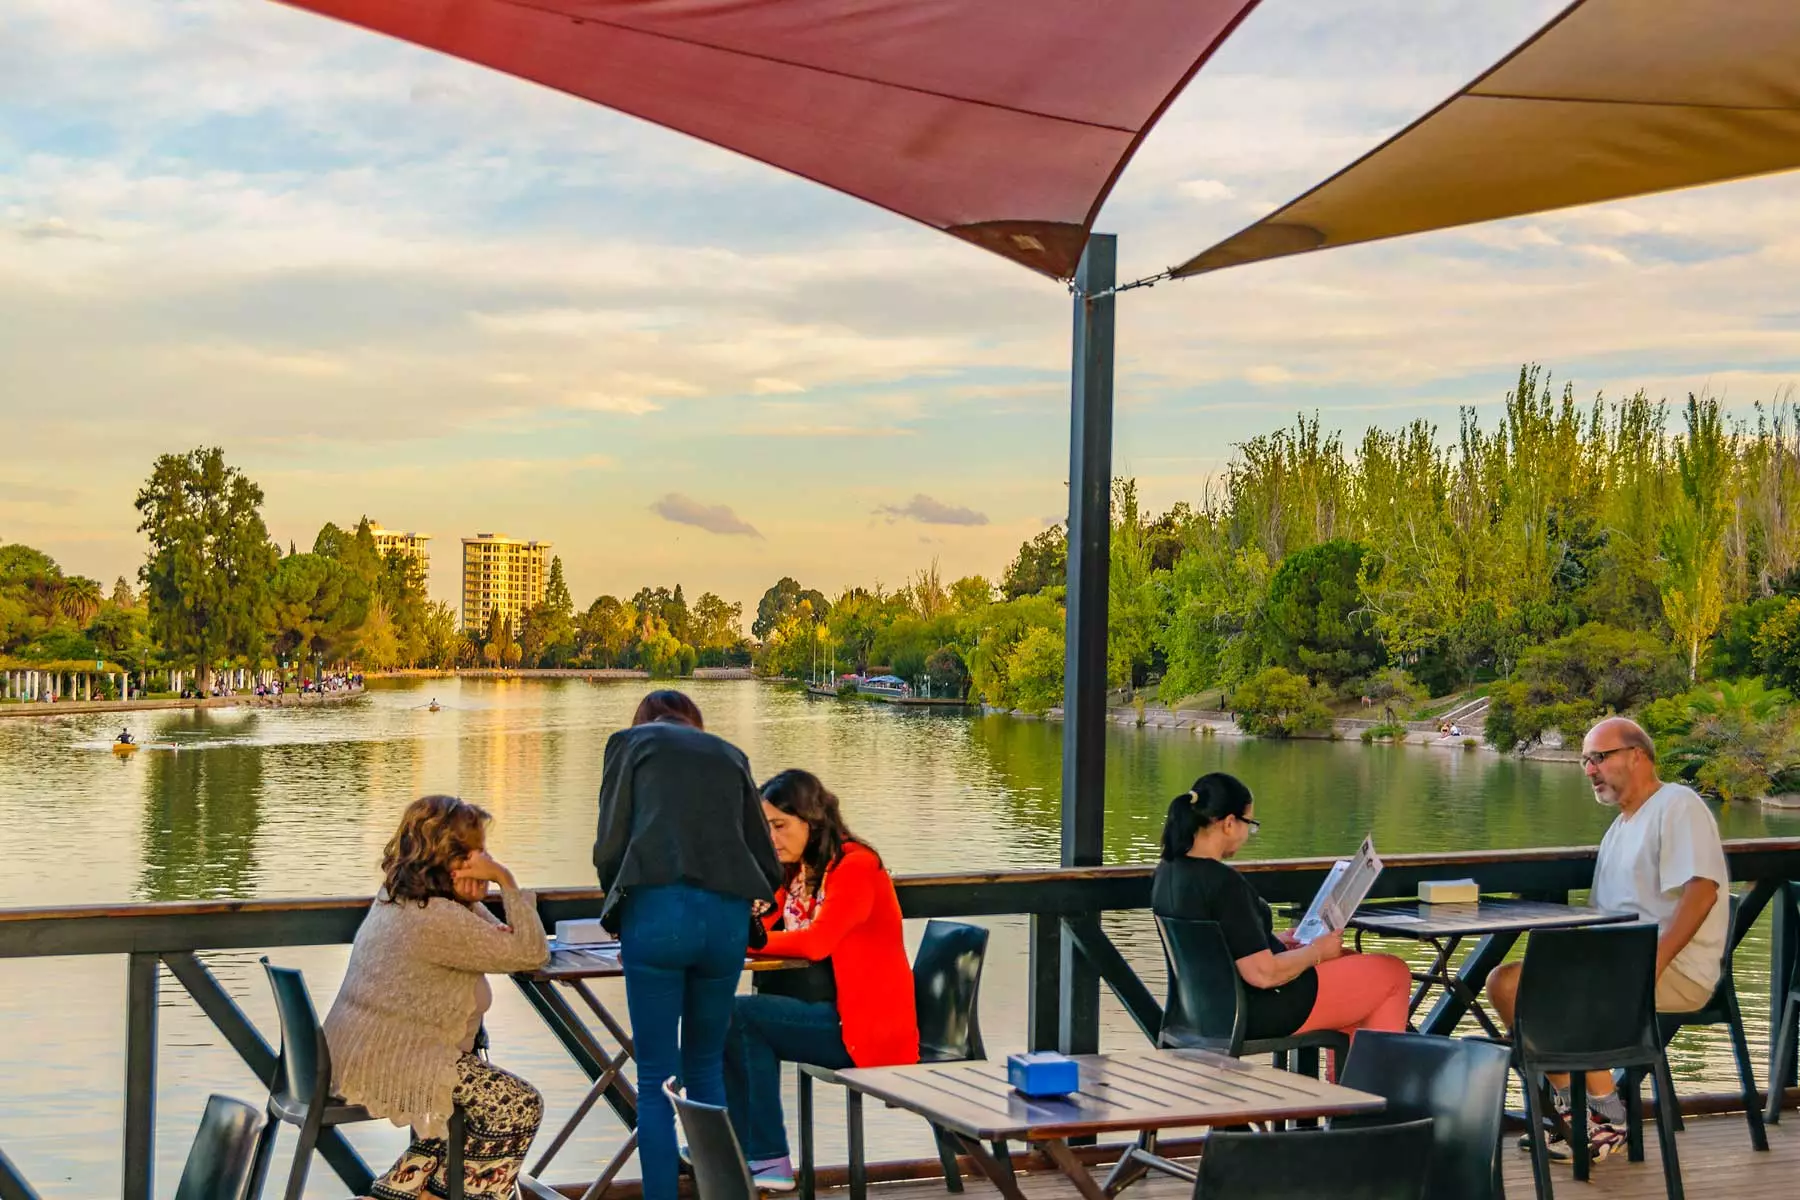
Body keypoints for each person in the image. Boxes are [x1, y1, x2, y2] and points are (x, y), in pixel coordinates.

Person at [1486, 716, 1728, 1163]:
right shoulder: (1618, 828)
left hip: (1671, 970)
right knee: (1505, 983)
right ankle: (1579, 1111)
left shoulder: (1677, 805)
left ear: (1637, 755)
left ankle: (1607, 1116)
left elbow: (1703, 891)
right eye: (1584, 761)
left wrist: (1651, 964)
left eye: (1599, 757)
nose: (1589, 769)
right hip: (1616, 965)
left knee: (1533, 990)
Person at [594, 690, 785, 1200]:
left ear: (645, 719)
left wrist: (616, 905)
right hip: (723, 923)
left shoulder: (629, 745)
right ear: (692, 721)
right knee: (705, 1068)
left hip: (656, 917)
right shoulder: (729, 754)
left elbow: (610, 843)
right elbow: (767, 860)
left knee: (657, 1077)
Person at [323, 795, 550, 1199]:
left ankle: (395, 1196)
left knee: (466, 1113)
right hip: (392, 1058)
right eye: (478, 851)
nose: (486, 858)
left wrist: (475, 893)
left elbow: (500, 940)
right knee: (517, 1105)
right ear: (451, 857)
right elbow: (530, 952)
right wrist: (506, 880)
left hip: (358, 1051)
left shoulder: (406, 896)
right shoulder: (436, 919)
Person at [723, 770, 918, 1191]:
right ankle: (743, 1147)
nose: (771, 837)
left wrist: (743, 939)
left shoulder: (856, 866)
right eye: (764, 827)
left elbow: (815, 943)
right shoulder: (798, 872)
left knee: (739, 1017)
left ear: (812, 820)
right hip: (831, 1012)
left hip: (867, 1026)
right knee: (730, 1018)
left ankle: (764, 1156)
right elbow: (767, 929)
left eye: (779, 826)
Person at [1152, 773, 1411, 1057]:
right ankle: (1375, 1094)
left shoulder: (1168, 872)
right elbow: (1263, 974)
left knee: (1353, 965)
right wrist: (1315, 952)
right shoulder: (1223, 883)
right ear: (1228, 823)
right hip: (1261, 1008)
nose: (1248, 835)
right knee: (1393, 973)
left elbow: (1215, 948)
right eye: (1249, 824)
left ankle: (1352, 1094)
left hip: (1206, 1012)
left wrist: (1272, 941)